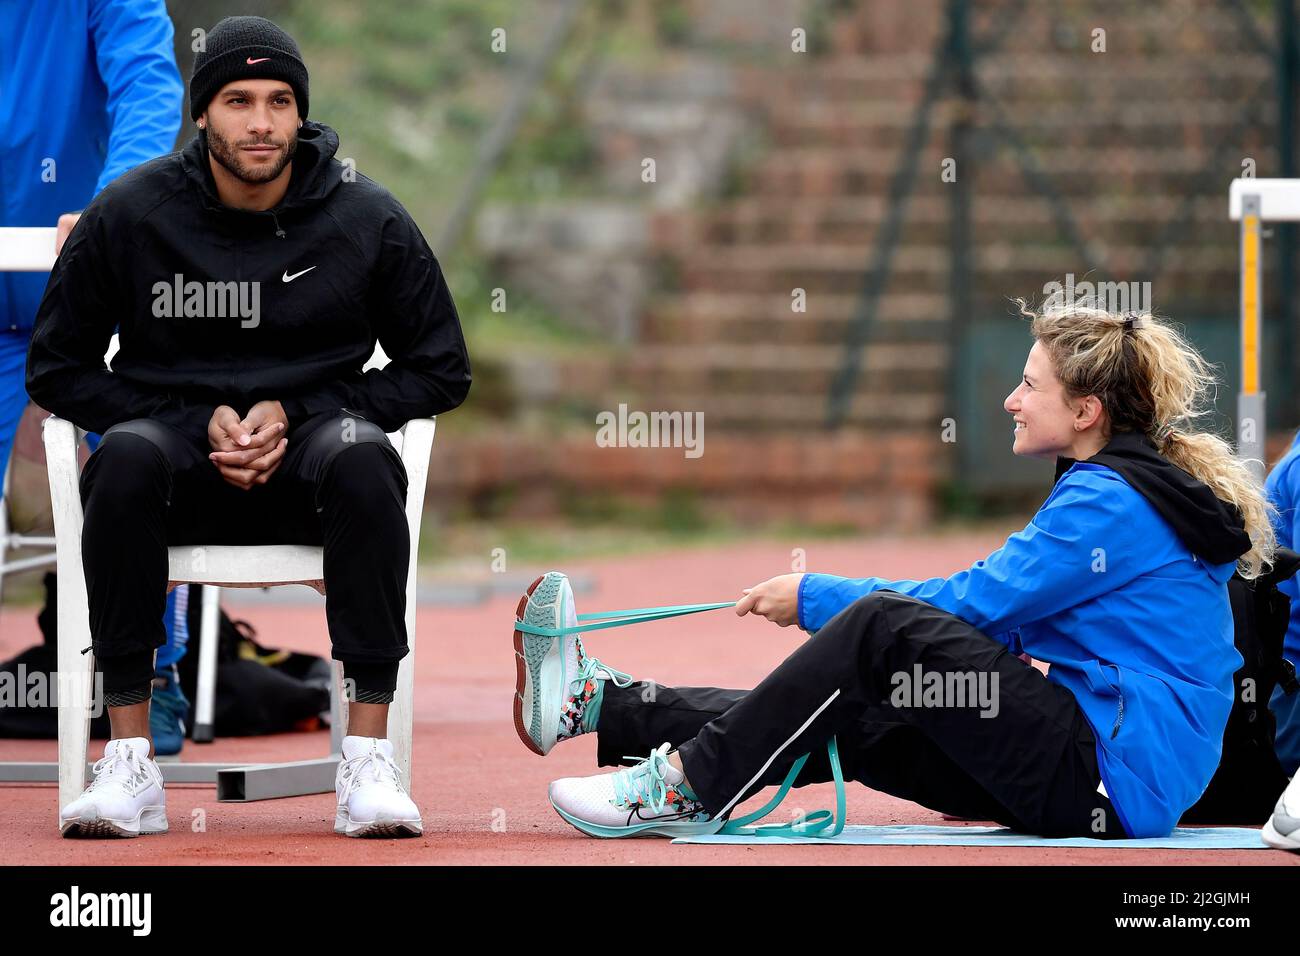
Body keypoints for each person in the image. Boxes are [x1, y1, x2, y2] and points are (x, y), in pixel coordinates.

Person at [515, 302, 1274, 840]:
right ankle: (599, 706)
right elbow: (1010, 616)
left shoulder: (1110, 502)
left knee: (883, 631)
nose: (1011, 400)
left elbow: (970, 605)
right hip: (1111, 780)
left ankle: (681, 788)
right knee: (859, 717)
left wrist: (813, 594)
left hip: (1105, 778)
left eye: (1030, 386)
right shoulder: (1121, 489)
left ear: (1086, 413)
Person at [27, 15, 471, 838]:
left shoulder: (366, 215)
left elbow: (441, 367)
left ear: (301, 114)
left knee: (365, 459)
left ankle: (367, 762)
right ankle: (129, 765)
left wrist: (304, 413)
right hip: (173, 464)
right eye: (237, 100)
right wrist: (193, 425)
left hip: (312, 468)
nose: (260, 122)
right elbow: (58, 369)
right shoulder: (131, 213)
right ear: (203, 114)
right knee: (120, 459)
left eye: (278, 101)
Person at [0, 0, 195, 754]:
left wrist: (112, 204)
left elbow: (147, 83)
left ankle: (155, 676)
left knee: (138, 457)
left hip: (93, 297)